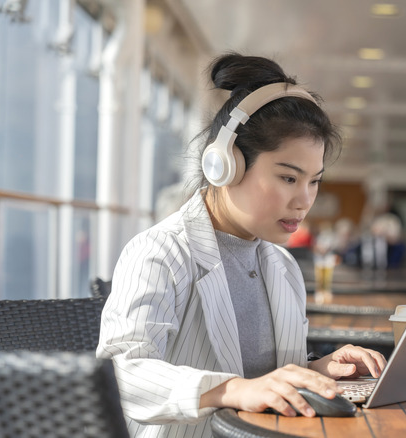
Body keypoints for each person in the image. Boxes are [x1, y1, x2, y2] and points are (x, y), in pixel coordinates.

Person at [96, 53, 387, 438]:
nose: (304, 200)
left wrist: (320, 371)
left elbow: (266, 380)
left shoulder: (281, 266)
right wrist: (233, 390)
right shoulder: (160, 253)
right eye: (288, 178)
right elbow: (121, 375)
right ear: (226, 164)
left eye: (314, 181)